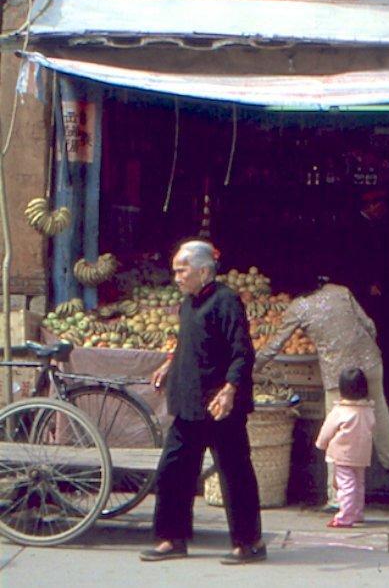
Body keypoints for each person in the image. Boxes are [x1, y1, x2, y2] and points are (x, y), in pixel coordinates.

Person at [140, 239, 266, 566]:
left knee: (234, 473)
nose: (178, 277)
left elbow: (242, 352)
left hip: (220, 405)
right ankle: (172, 538)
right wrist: (169, 364)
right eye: (176, 271)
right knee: (173, 471)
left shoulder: (226, 302)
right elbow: (187, 341)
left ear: (204, 271)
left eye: (183, 270)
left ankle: (248, 543)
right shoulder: (188, 302)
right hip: (188, 403)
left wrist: (230, 390)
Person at [253, 274, 389, 506]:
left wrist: (252, 367)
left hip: (338, 374)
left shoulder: (298, 307)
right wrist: (366, 347)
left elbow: (275, 344)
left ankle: (337, 497)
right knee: (378, 408)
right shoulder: (341, 290)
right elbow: (368, 325)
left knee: (336, 432)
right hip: (369, 361)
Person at [315, 367, 375, 528]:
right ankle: (357, 512)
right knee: (358, 484)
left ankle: (345, 516)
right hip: (362, 455)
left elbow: (327, 430)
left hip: (342, 455)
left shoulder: (340, 411)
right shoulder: (368, 410)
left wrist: (321, 444)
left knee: (346, 485)